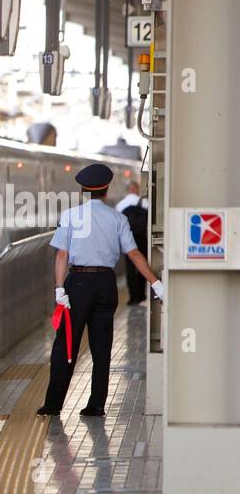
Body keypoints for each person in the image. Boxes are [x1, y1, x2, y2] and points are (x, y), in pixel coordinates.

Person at [36, 164, 165, 419]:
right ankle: (96, 405)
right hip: (106, 284)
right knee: (101, 345)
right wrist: (156, 284)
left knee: (66, 345)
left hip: (78, 284)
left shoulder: (71, 216)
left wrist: (59, 289)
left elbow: (62, 254)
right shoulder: (117, 218)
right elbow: (135, 254)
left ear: (84, 190)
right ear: (106, 190)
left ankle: (53, 404)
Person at [116, 181, 150, 304]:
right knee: (142, 264)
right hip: (142, 238)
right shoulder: (145, 203)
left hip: (127, 239)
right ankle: (141, 295)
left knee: (130, 268)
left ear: (127, 189)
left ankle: (132, 297)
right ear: (136, 189)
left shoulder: (120, 205)